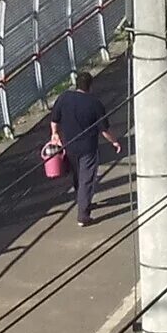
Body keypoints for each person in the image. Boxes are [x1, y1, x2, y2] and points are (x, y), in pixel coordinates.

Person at [48, 70, 121, 227]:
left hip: (69, 146)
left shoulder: (65, 97)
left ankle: (82, 201)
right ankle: (83, 215)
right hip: (88, 147)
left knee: (77, 177)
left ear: (76, 84)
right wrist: (115, 142)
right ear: (90, 86)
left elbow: (54, 118)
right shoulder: (95, 103)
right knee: (87, 179)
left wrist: (54, 134)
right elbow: (104, 130)